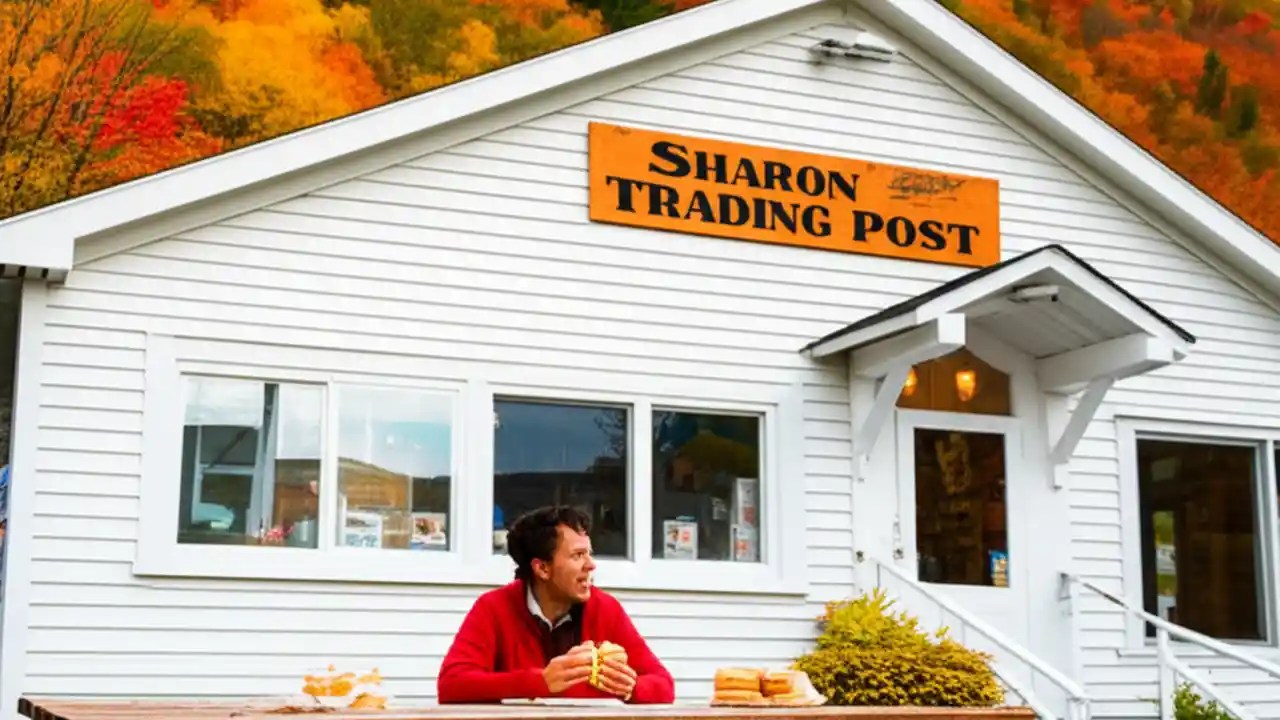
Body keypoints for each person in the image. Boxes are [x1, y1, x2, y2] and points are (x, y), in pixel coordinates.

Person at [436, 506, 675, 704]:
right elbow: (452, 685)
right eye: (578, 555)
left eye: (589, 553)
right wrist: (540, 683)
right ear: (542, 568)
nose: (591, 565)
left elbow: (664, 686)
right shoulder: (494, 607)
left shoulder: (605, 608)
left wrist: (633, 687)